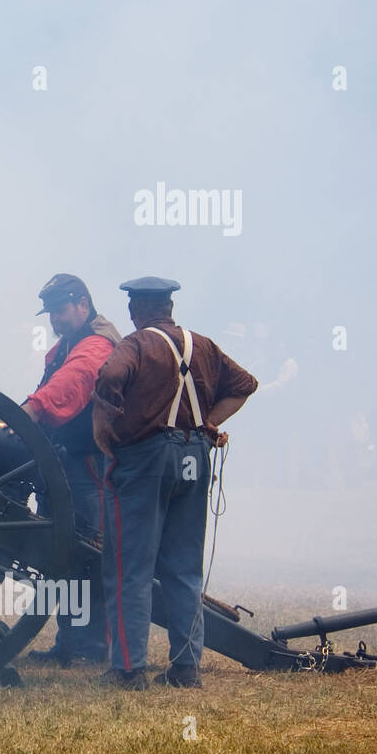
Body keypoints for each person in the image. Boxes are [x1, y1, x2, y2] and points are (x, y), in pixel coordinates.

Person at [92, 277, 258, 690]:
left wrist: (104, 425)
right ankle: (186, 668)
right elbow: (245, 385)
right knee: (184, 570)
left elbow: (110, 376)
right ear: (168, 306)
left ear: (137, 310)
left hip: (146, 461)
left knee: (131, 568)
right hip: (193, 457)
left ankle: (128, 671)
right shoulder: (201, 344)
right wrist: (208, 423)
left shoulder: (134, 344)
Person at [16, 274, 120, 666]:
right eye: (52, 313)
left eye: (61, 310)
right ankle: (69, 643)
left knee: (88, 554)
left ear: (82, 304)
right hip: (65, 459)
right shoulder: (69, 344)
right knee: (66, 555)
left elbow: (70, 385)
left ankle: (92, 648)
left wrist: (29, 411)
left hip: (90, 463)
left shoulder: (96, 345)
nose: (55, 320)